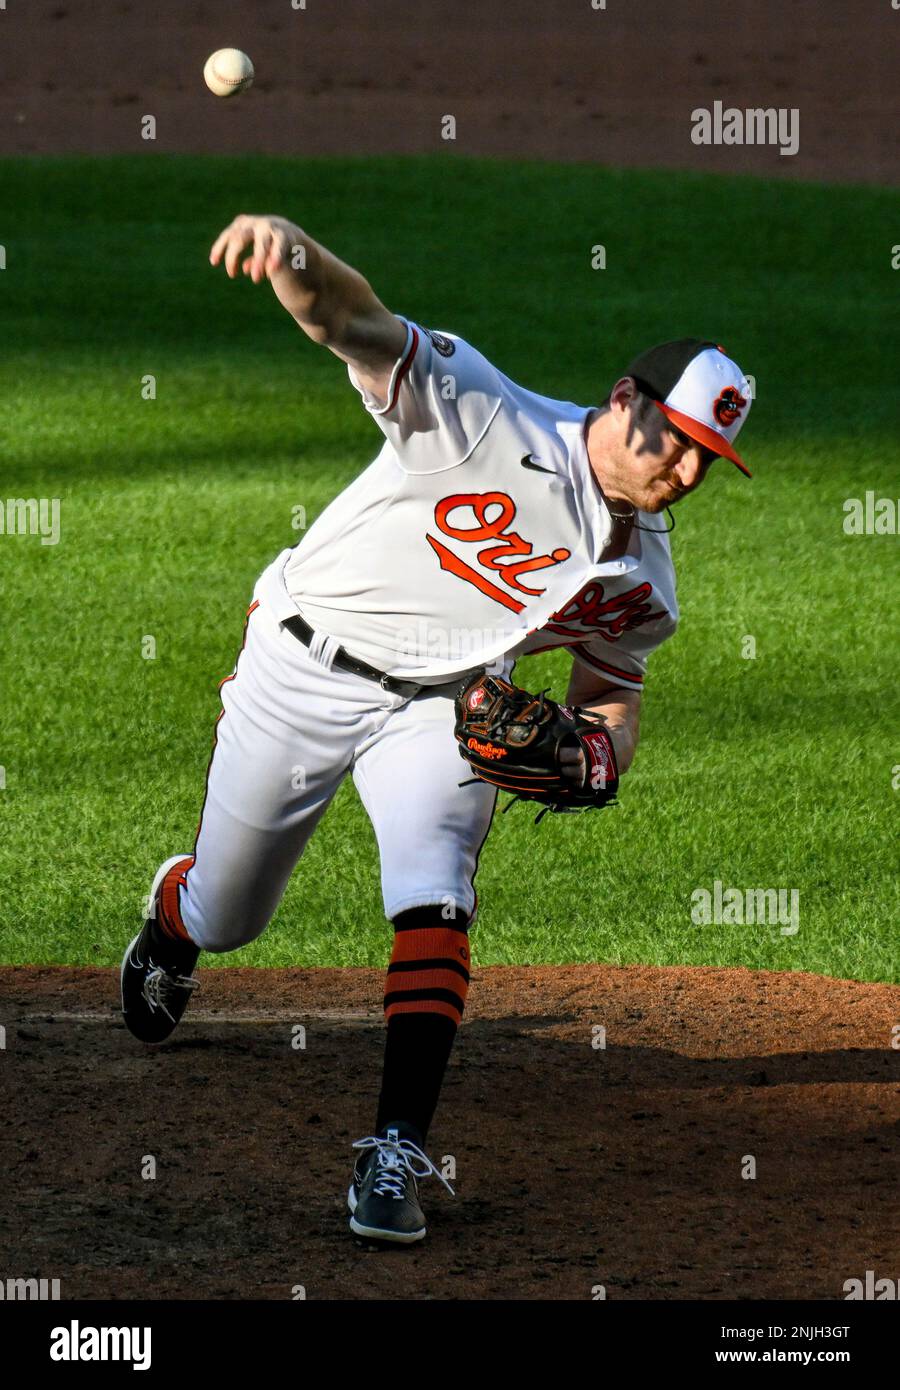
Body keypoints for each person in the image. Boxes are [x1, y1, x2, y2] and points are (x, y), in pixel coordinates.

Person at [120, 213, 753, 1244]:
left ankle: (394, 1149)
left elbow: (612, 694)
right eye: (676, 444)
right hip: (305, 665)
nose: (684, 474)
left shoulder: (645, 582)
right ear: (626, 401)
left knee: (436, 892)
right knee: (234, 911)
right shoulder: (482, 409)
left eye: (708, 461)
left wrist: (597, 752)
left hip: (447, 706)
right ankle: (175, 918)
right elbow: (353, 321)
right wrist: (291, 252)